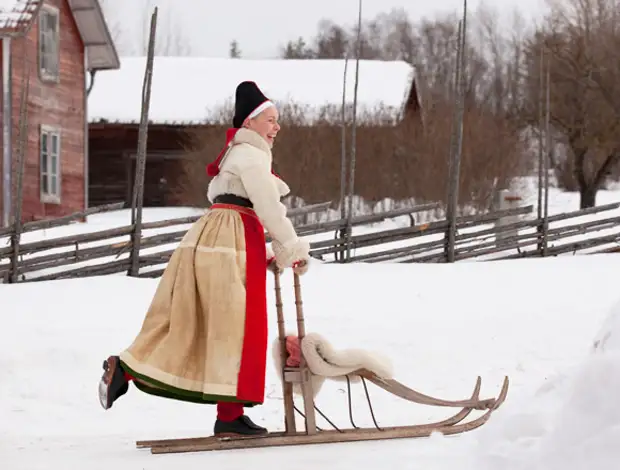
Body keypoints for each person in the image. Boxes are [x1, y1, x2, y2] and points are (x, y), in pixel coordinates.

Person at [97, 81, 311, 437]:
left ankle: (228, 413)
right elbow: (268, 207)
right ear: (250, 123)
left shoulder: (238, 153)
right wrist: (293, 249)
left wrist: (269, 251)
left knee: (216, 326)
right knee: (237, 326)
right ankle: (136, 373)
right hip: (232, 239)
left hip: (227, 236)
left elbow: (251, 208)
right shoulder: (251, 154)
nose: (277, 127)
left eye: (277, 121)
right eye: (271, 120)